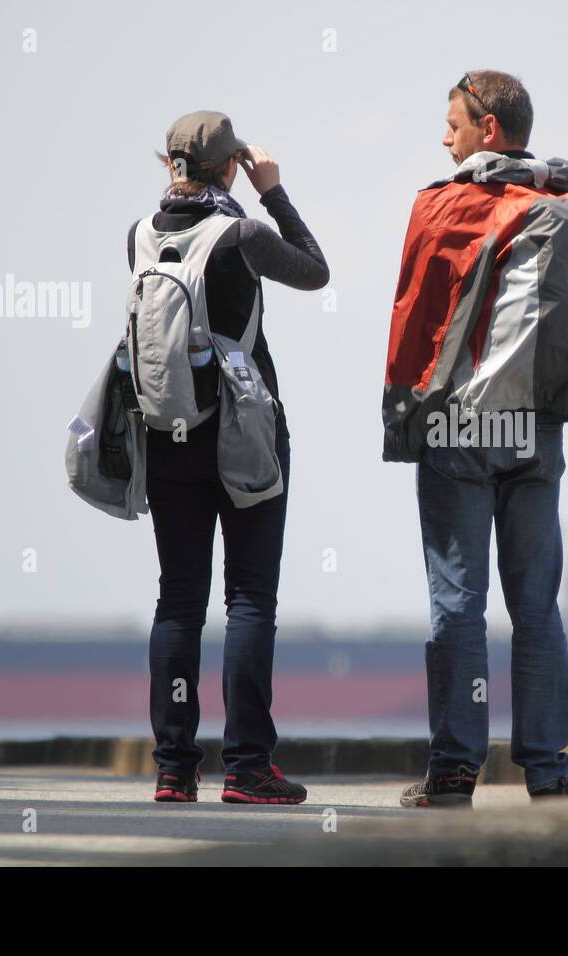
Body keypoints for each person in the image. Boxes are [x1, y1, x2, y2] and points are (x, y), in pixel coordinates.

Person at [383, 72, 568, 807]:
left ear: (488, 129)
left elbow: (414, 313)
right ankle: (550, 774)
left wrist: (405, 419)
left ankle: (455, 771)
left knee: (458, 604)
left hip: (463, 424)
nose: (444, 137)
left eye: (453, 123)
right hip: (537, 428)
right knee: (537, 604)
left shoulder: (447, 204)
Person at [136, 111, 329, 804]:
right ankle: (248, 768)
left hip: (167, 434)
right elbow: (315, 270)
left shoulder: (138, 234)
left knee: (178, 600)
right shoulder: (243, 234)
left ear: (170, 165)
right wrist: (272, 191)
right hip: (244, 434)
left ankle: (173, 768)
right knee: (248, 599)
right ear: (229, 167)